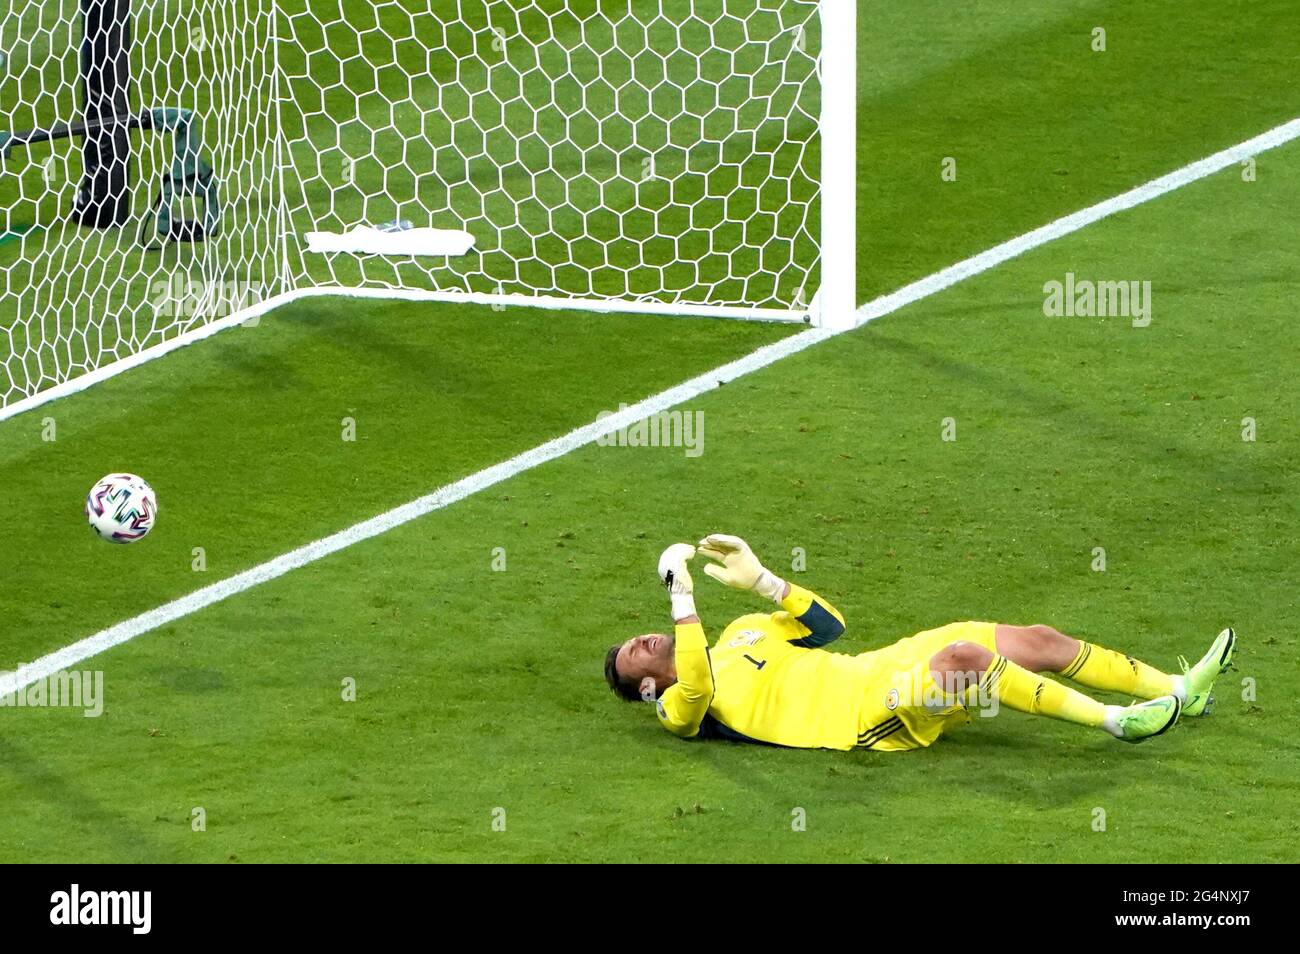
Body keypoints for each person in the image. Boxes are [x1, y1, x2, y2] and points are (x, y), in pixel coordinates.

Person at [603, 534, 1235, 751]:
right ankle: (1119, 723)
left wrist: (766, 582)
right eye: (633, 654)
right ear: (648, 686)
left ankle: (1179, 691)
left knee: (1032, 638)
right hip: (863, 717)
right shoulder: (678, 710)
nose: (640, 640)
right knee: (965, 662)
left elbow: (829, 630)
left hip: (874, 666)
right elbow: (699, 684)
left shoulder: (742, 633)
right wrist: (680, 597)